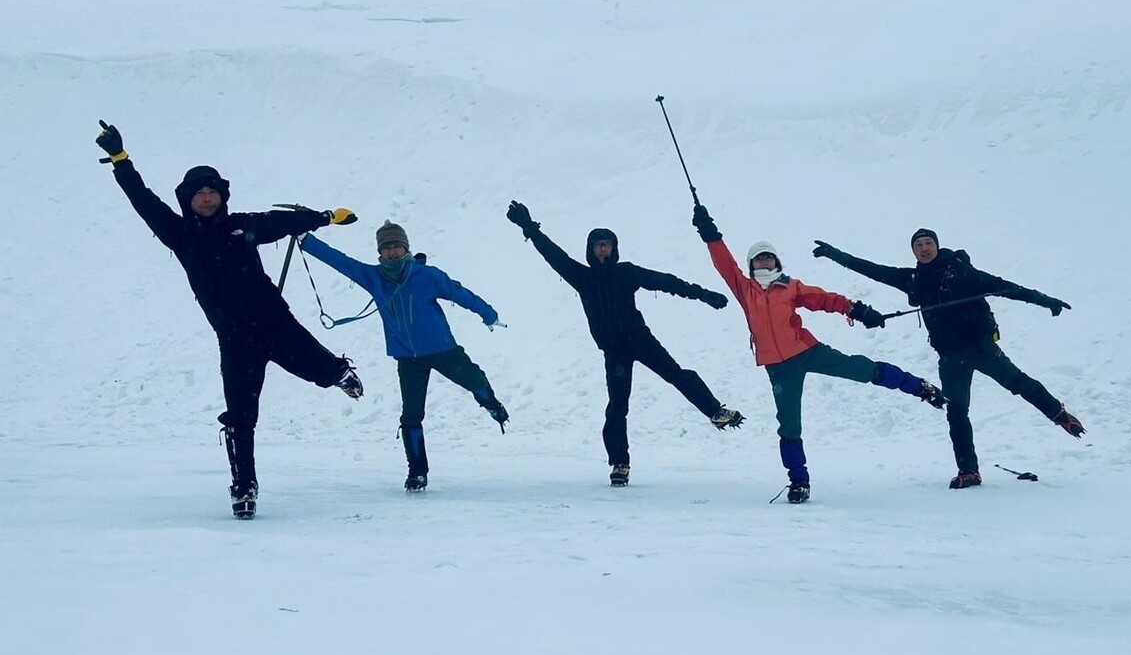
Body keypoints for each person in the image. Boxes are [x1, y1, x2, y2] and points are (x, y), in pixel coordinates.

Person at [95, 120, 363, 519]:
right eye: (200, 193)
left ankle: (340, 372)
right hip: (234, 339)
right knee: (240, 416)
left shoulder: (242, 226)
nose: (207, 198)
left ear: (222, 196)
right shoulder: (179, 234)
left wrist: (325, 217)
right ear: (187, 199)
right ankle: (244, 488)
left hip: (275, 322)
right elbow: (142, 200)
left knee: (320, 370)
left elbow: (282, 222)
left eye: (213, 192)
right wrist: (120, 159)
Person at [691, 203, 945, 503]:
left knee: (861, 369)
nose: (764, 261)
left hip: (807, 351)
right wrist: (710, 234)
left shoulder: (790, 287)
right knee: (789, 424)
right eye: (758, 259)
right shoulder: (745, 290)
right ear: (751, 265)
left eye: (768, 257)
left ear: (776, 262)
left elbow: (824, 299)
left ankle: (919, 387)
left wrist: (857, 309)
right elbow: (724, 264)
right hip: (778, 366)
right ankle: (799, 481)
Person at [811, 228, 1085, 489]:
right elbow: (874, 270)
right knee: (956, 412)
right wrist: (835, 254)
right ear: (914, 252)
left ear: (937, 246)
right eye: (918, 245)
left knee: (1020, 384)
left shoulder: (962, 273)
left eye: (928, 243)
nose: (924, 248)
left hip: (982, 349)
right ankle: (969, 471)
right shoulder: (913, 280)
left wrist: (1045, 300)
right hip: (951, 357)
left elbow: (1006, 287)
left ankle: (1060, 415)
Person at [506, 200, 742, 486]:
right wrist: (529, 228)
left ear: (614, 248)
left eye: (607, 244)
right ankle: (620, 463)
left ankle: (715, 411)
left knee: (677, 375)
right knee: (618, 406)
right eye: (598, 244)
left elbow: (665, 281)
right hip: (614, 351)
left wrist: (701, 293)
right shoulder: (582, 277)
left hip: (640, 340)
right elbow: (552, 254)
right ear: (591, 249)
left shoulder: (626, 272)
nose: (603, 249)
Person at [299, 221, 509, 492]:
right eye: (387, 248)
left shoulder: (427, 276)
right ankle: (417, 473)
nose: (392, 252)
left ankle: (492, 405)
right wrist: (306, 240)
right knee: (411, 417)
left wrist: (488, 314)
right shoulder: (373, 278)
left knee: (477, 382)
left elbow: (460, 293)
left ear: (406, 248)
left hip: (443, 350)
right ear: (380, 253)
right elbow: (341, 262)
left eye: (396, 246)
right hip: (408, 359)